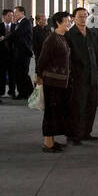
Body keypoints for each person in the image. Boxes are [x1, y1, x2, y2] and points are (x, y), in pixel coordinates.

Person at [35, 11, 74, 153]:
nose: (69, 23)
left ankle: (51, 140)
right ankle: (47, 143)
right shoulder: (52, 39)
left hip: (61, 81)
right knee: (51, 112)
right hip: (52, 81)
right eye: (67, 21)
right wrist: (38, 77)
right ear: (58, 22)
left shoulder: (63, 37)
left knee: (57, 111)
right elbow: (42, 59)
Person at [65, 6, 98, 144]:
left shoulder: (91, 33)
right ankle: (74, 135)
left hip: (93, 75)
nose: (83, 18)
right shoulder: (69, 35)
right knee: (77, 107)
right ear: (73, 18)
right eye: (80, 16)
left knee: (91, 105)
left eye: (85, 16)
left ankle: (86, 132)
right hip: (78, 77)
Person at [8, 6, 35, 100]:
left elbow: (18, 34)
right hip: (19, 52)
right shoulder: (18, 23)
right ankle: (26, 92)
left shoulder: (25, 22)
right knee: (20, 73)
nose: (14, 15)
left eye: (16, 13)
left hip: (24, 52)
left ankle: (25, 92)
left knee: (22, 73)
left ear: (22, 13)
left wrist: (6, 37)